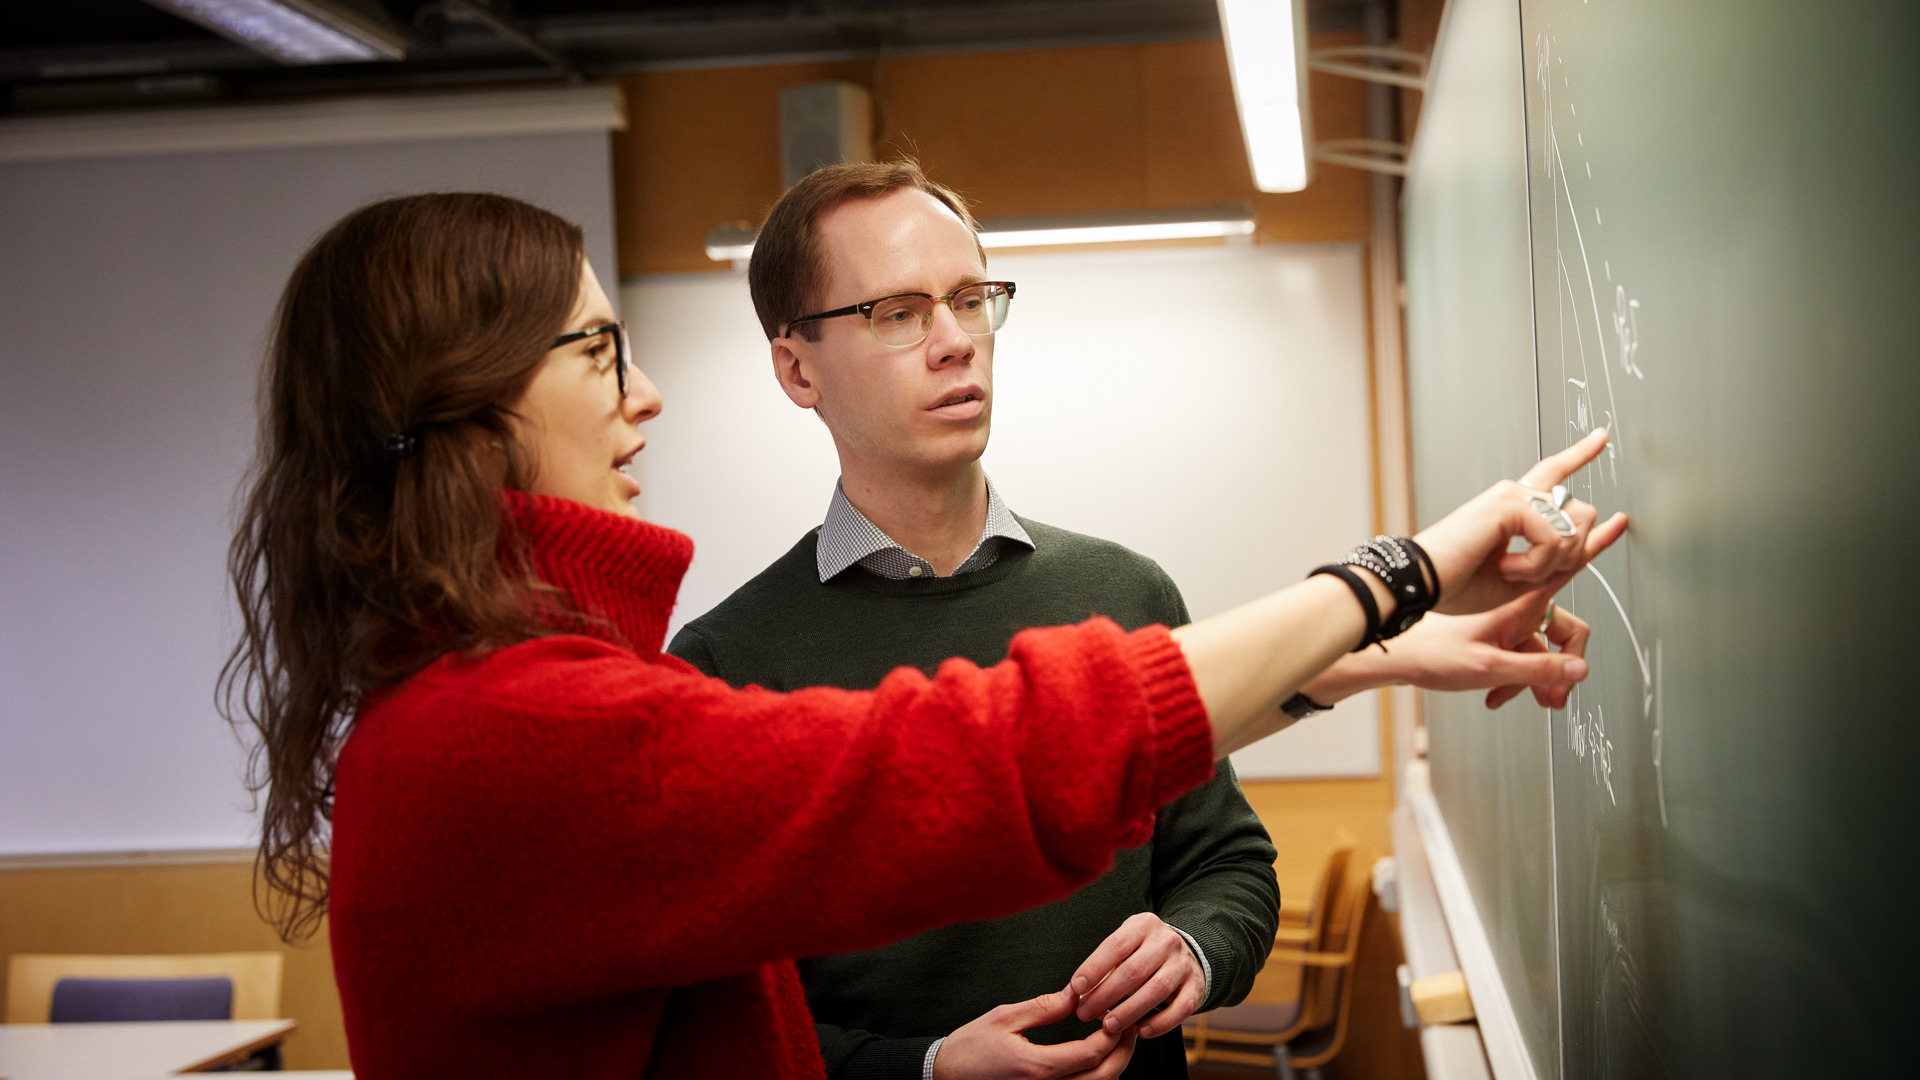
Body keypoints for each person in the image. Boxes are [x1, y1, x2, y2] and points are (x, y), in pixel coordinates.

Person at [220, 190, 1624, 1080]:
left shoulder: (498, 708)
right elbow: (946, 769)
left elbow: (1054, 779)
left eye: (971, 300)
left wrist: (1370, 658)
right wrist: (1401, 572)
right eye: (598, 353)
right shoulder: (529, 730)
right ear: (464, 404)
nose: (645, 396)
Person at [668, 161, 1608, 1080]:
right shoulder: (722, 664)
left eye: (969, 297)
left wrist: (1193, 950)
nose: (954, 339)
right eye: (898, 313)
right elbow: (716, 1026)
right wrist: (921, 1066)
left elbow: (1228, 865)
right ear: (796, 368)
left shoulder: (1123, 591)